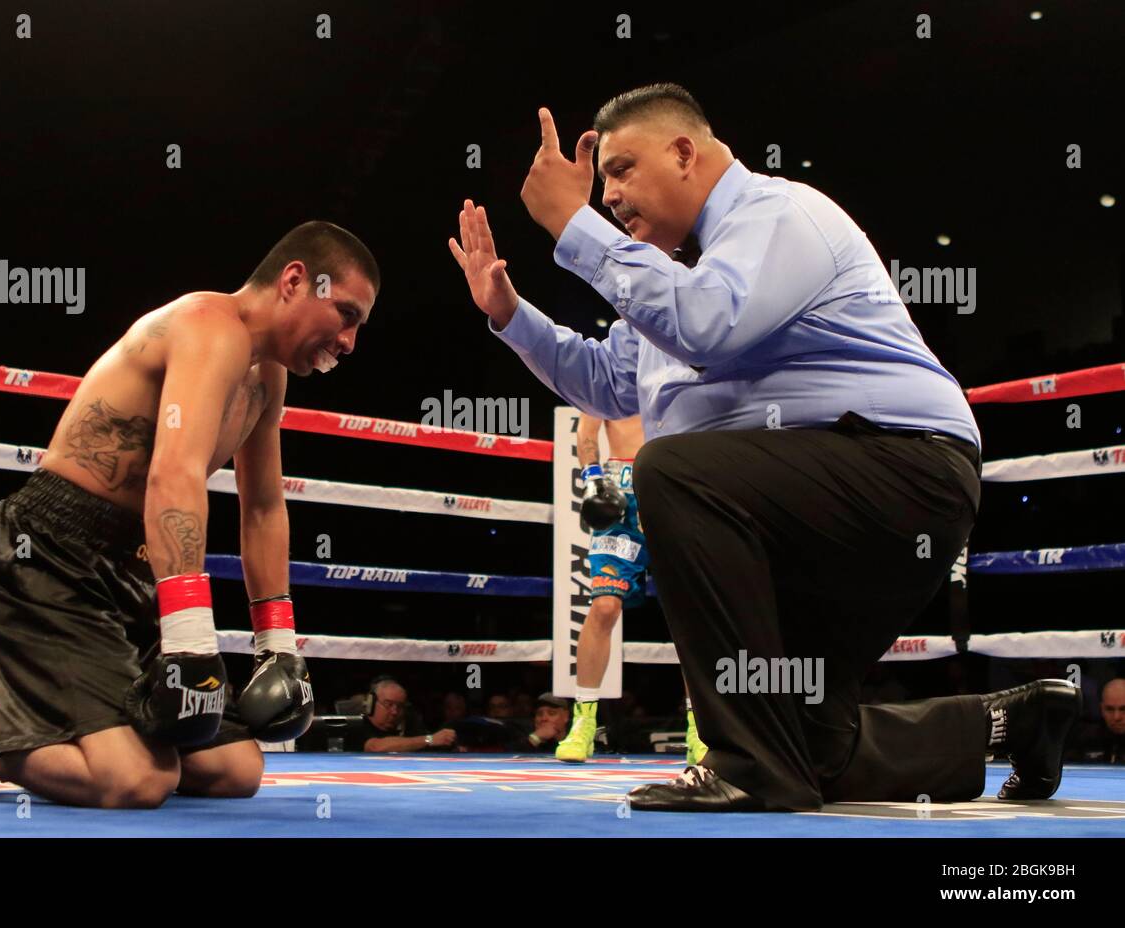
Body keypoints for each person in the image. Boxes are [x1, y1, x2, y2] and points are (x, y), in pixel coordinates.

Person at [449, 83, 1079, 811]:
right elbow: (608, 382)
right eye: (604, 180)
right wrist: (510, 315)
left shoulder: (776, 214)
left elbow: (707, 326)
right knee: (808, 741)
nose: (610, 193)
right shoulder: (672, 277)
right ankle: (1012, 722)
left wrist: (574, 227)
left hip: (898, 472)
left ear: (685, 152)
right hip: (804, 511)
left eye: (622, 169)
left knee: (673, 472)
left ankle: (744, 767)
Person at [0, 221, 380, 808]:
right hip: (51, 554)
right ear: (294, 280)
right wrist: (189, 636)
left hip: (134, 567)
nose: (349, 341)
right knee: (136, 780)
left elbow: (263, 507)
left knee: (236, 770)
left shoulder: (269, 377)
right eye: (346, 314)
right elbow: (175, 473)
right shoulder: (209, 326)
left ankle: (47, 705)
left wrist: (277, 645)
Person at [556, 412, 708, 764]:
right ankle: (583, 723)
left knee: (692, 614)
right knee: (605, 606)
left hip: (673, 486)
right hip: (620, 498)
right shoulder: (610, 367)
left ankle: (699, 727)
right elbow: (588, 434)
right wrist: (594, 481)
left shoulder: (681, 367)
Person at [354, 677, 456, 752]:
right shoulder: (357, 724)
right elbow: (375, 747)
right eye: (388, 704)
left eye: (400, 706)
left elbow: (428, 743)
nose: (394, 712)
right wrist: (430, 739)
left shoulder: (409, 722)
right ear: (371, 703)